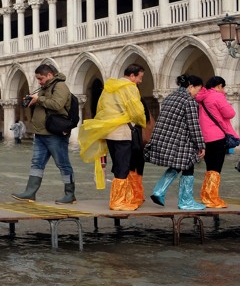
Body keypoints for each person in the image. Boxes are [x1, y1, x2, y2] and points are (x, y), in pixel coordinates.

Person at [77, 64, 147, 211]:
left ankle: (123, 197)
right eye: (140, 77)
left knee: (118, 164)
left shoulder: (109, 88)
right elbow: (137, 110)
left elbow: (100, 108)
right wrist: (142, 122)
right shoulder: (130, 87)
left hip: (110, 132)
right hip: (123, 132)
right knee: (124, 165)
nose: (140, 81)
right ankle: (118, 201)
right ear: (132, 75)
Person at [12, 64, 76, 204]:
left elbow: (57, 104)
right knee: (36, 163)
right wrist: (32, 101)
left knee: (63, 164)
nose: (39, 82)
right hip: (41, 133)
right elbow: (44, 105)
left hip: (55, 134)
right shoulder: (44, 88)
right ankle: (30, 193)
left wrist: (38, 99)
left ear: (49, 75)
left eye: (41, 78)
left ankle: (70, 194)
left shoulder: (60, 86)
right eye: (37, 79)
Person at [146, 75, 206, 210]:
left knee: (181, 164)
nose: (198, 92)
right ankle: (186, 201)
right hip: (181, 141)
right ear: (190, 87)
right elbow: (193, 125)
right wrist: (201, 145)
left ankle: (159, 191)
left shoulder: (169, 98)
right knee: (188, 165)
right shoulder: (189, 101)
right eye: (198, 89)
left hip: (167, 138)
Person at [195, 76, 234, 208]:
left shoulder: (202, 97)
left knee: (209, 168)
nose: (223, 90)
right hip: (217, 137)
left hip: (204, 138)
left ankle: (206, 196)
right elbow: (230, 113)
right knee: (216, 169)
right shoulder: (217, 96)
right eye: (222, 87)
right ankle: (212, 198)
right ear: (218, 86)